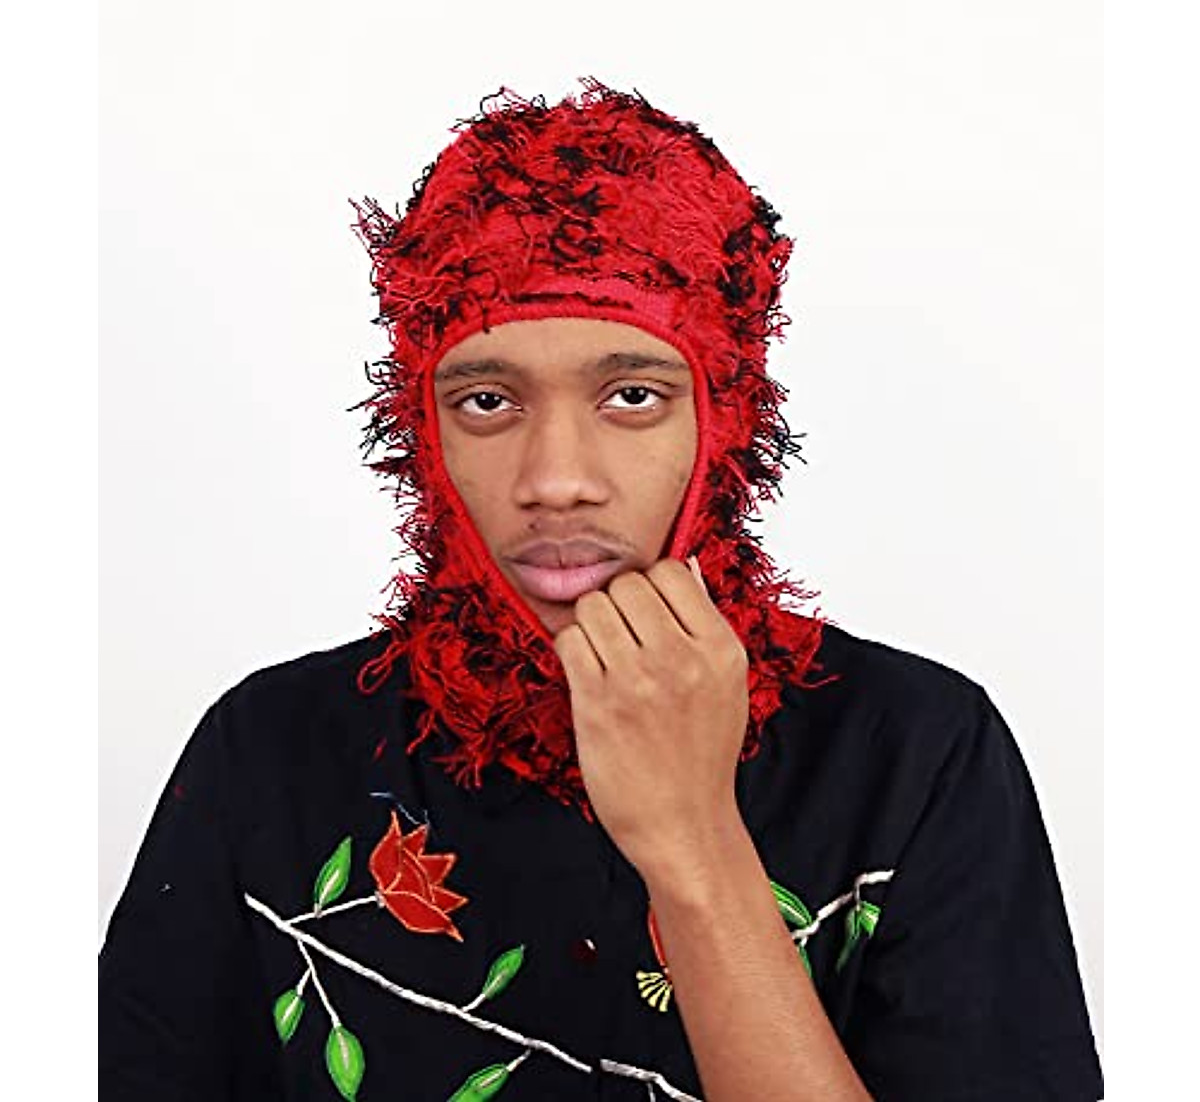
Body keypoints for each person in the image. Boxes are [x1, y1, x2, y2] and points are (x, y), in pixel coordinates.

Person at [100, 80, 1104, 1101]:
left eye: (632, 395)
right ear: (423, 431)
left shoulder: (912, 755)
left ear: (723, 419)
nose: (555, 479)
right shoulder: (270, 754)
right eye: (486, 400)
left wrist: (695, 843)